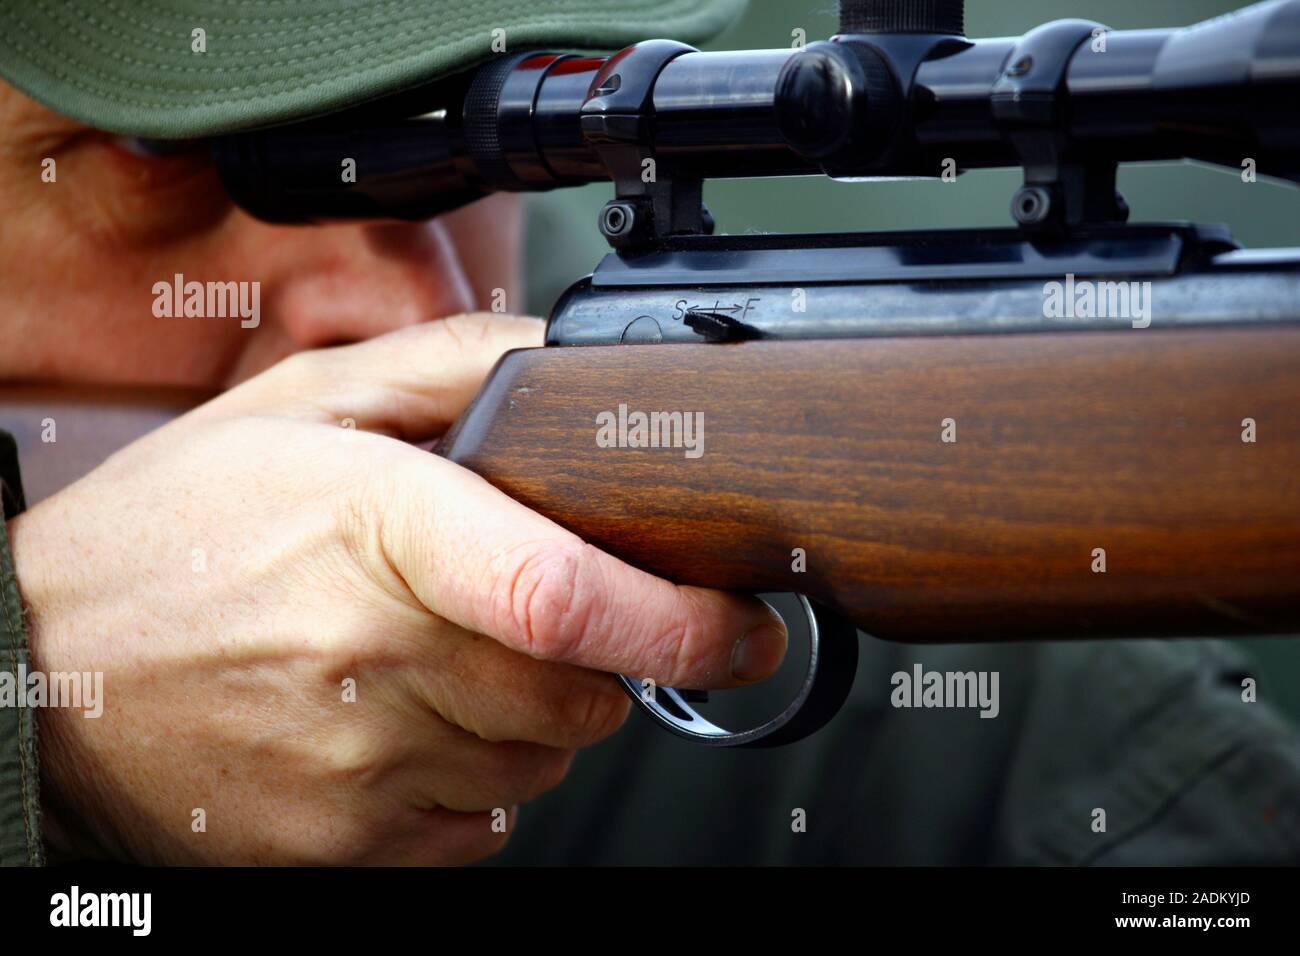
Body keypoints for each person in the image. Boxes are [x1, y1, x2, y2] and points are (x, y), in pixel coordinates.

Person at [2, 0, 1298, 868]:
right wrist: (44, 745)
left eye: (456, 141)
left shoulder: (807, 567)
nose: (417, 306)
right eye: (152, 161)